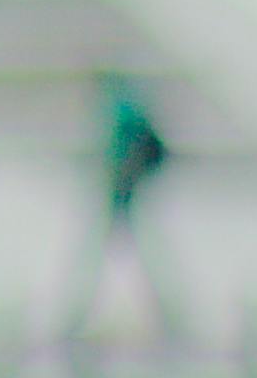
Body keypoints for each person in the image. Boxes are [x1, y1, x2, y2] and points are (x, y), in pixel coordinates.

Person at [64, 73, 188, 350]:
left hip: (122, 189)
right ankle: (168, 311)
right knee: (143, 252)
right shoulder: (128, 104)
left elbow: (119, 151)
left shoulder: (118, 109)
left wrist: (117, 180)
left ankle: (78, 313)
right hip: (127, 188)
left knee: (103, 253)